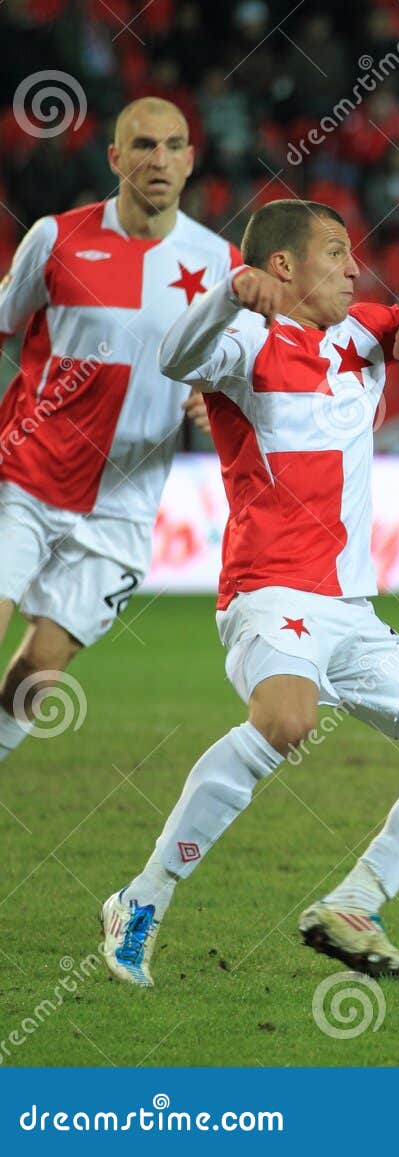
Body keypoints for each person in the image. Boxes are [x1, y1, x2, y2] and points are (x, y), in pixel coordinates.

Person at [99, 200, 399, 987]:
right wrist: (229, 292)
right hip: (269, 590)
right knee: (286, 719)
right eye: (335, 252)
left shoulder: (362, 332)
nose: (354, 267)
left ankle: (356, 900)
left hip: (352, 612)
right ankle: (143, 896)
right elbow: (172, 355)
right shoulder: (244, 344)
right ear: (283, 266)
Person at [0, 97, 237, 766]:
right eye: (141, 146)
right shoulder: (55, 237)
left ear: (191, 161)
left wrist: (212, 396)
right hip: (27, 473)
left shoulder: (221, 264)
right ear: (115, 158)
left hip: (124, 502)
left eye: (171, 145)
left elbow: (239, 372)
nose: (156, 159)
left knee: (34, 675)